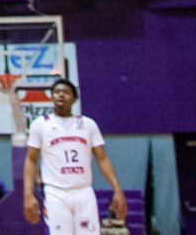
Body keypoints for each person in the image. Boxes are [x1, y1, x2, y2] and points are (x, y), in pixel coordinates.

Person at [22, 80, 126, 235]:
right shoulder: (40, 124)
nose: (61, 95)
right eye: (57, 91)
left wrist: (117, 189)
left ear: (74, 99)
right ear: (52, 97)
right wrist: (28, 194)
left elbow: (102, 158)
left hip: (84, 191)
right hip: (55, 193)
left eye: (66, 92)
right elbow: (31, 160)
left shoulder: (88, 124)